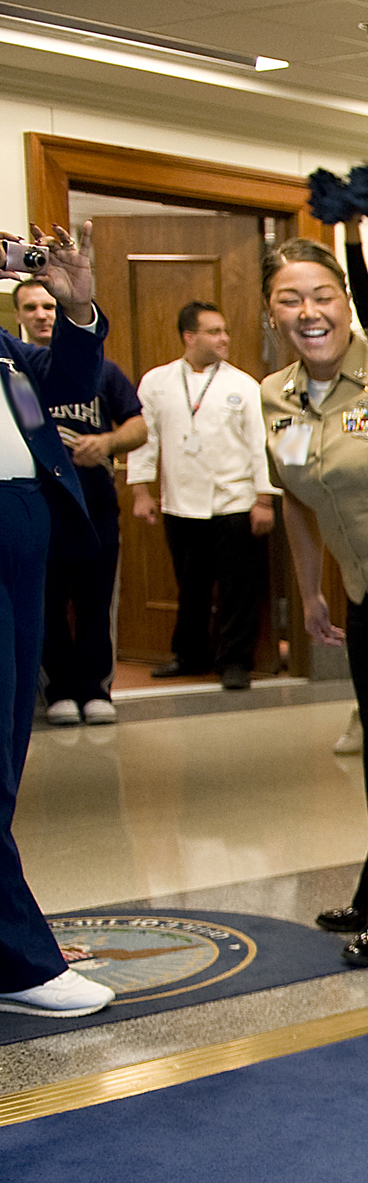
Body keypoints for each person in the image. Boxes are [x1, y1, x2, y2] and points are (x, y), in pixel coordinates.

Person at [259, 237, 368, 967]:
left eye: (321, 295)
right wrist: (310, 592)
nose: (308, 311)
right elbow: (292, 497)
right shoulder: (274, 395)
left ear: (345, 303)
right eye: (290, 299)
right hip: (361, 596)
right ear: (272, 313)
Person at [0, 226, 115, 1017]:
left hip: (21, 536)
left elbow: (72, 381)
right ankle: (19, 956)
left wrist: (75, 309)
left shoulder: (10, 349)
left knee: (7, 750)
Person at [12, 277, 143, 725]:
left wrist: (105, 443)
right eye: (32, 308)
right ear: (20, 318)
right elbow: (28, 431)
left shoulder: (101, 371)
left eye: (50, 306)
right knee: (47, 603)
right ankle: (61, 690)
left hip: (96, 509)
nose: (43, 314)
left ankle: (95, 689)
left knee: (95, 604)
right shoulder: (20, 375)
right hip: (42, 509)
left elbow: (139, 427)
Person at [128, 302, 275, 692]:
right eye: (214, 332)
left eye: (225, 330)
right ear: (189, 337)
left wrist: (264, 500)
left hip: (234, 501)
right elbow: (145, 440)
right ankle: (189, 655)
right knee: (190, 585)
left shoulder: (244, 385)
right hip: (180, 503)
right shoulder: (156, 382)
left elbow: (261, 445)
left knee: (237, 588)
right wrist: (141, 491)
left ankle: (235, 660)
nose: (224, 338)